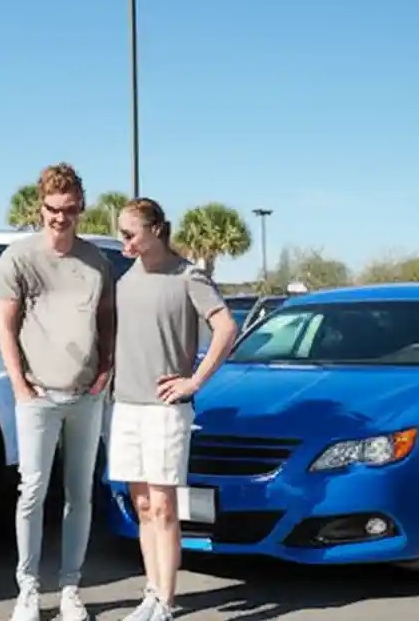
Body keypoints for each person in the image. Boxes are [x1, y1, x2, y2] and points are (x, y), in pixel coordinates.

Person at [0, 162, 115, 621]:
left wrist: (105, 369)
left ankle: (70, 588)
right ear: (39, 207)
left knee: (79, 493)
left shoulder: (96, 262)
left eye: (68, 210)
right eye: (52, 209)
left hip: (86, 395)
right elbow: (5, 327)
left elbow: (107, 321)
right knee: (32, 490)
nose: (60, 218)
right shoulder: (18, 258)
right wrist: (21, 385)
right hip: (38, 396)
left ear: (80, 208)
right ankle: (27, 588)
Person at [106, 197, 238, 621]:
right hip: (124, 406)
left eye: (129, 233)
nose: (123, 242)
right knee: (142, 505)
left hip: (166, 409)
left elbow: (225, 326)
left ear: (156, 229)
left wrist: (194, 380)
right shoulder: (125, 282)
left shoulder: (187, 276)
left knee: (164, 506)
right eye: (120, 234)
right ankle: (151, 591)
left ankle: (166, 600)